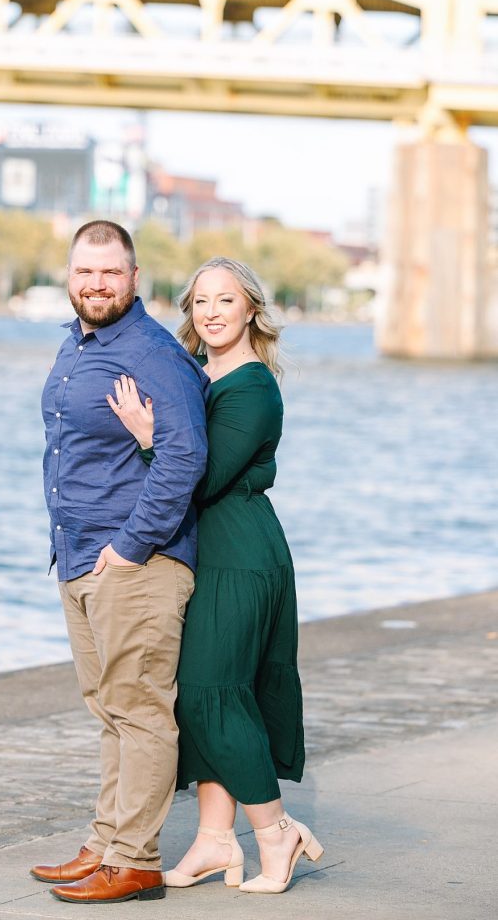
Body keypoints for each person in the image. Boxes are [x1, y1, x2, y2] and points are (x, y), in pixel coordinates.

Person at [108, 257, 324, 895]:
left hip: (241, 555)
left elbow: (200, 479)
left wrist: (151, 440)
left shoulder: (253, 387)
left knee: (211, 691)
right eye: (200, 301)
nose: (210, 312)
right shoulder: (201, 375)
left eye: (225, 300)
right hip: (209, 552)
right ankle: (213, 839)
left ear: (251, 308)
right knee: (200, 692)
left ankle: (276, 831)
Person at [31, 220, 209, 905]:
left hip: (136, 561)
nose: (96, 283)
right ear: (70, 275)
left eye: (110, 272)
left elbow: (186, 457)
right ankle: (105, 843)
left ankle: (135, 859)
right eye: (85, 271)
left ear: (134, 279)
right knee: (109, 710)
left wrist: (131, 547)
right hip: (80, 557)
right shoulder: (77, 344)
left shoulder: (153, 353)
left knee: (138, 712)